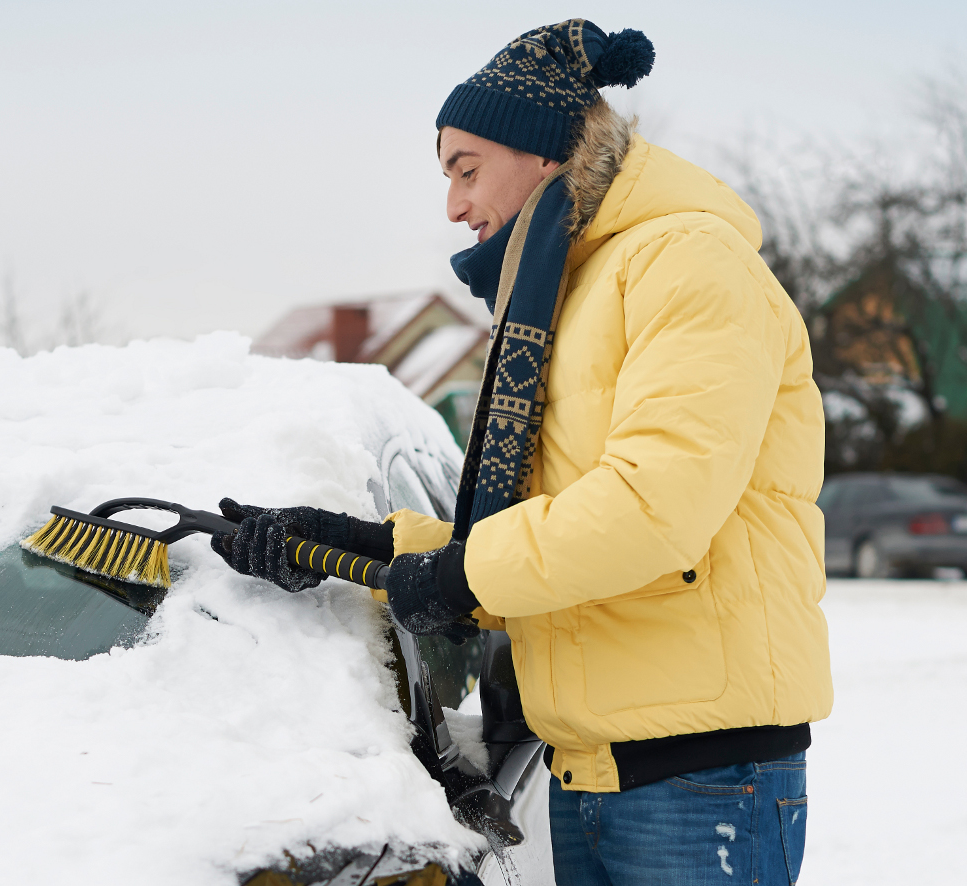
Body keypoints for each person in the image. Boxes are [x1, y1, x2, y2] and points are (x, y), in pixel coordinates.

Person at [213, 17, 831, 886]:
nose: (455, 206)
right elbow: (539, 540)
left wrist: (459, 576)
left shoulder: (688, 264)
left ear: (544, 153)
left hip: (700, 774)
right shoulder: (567, 298)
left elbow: (653, 511)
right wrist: (363, 545)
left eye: (467, 169)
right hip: (594, 765)